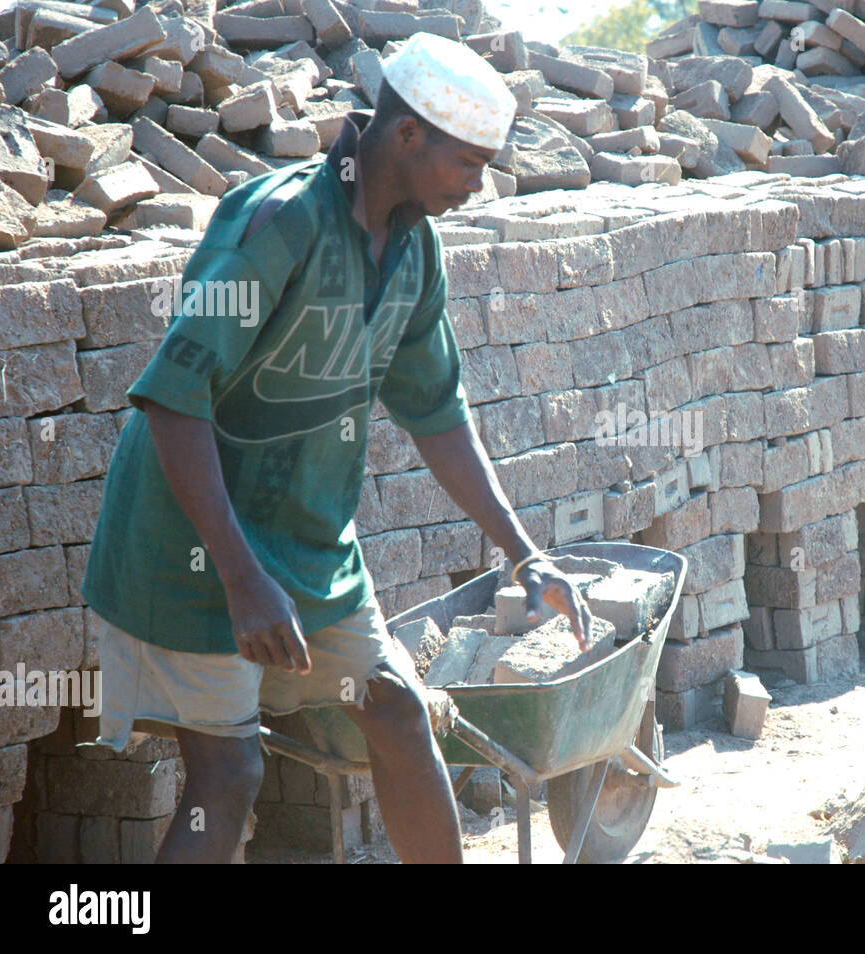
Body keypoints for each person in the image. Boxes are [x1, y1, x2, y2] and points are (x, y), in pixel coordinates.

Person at [80, 33, 593, 864]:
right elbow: (175, 403)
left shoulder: (415, 253)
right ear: (406, 136)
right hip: (190, 549)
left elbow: (438, 414)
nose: (480, 184)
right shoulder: (278, 225)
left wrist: (523, 552)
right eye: (469, 163)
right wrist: (243, 581)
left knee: (397, 708)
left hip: (310, 548)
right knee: (228, 772)